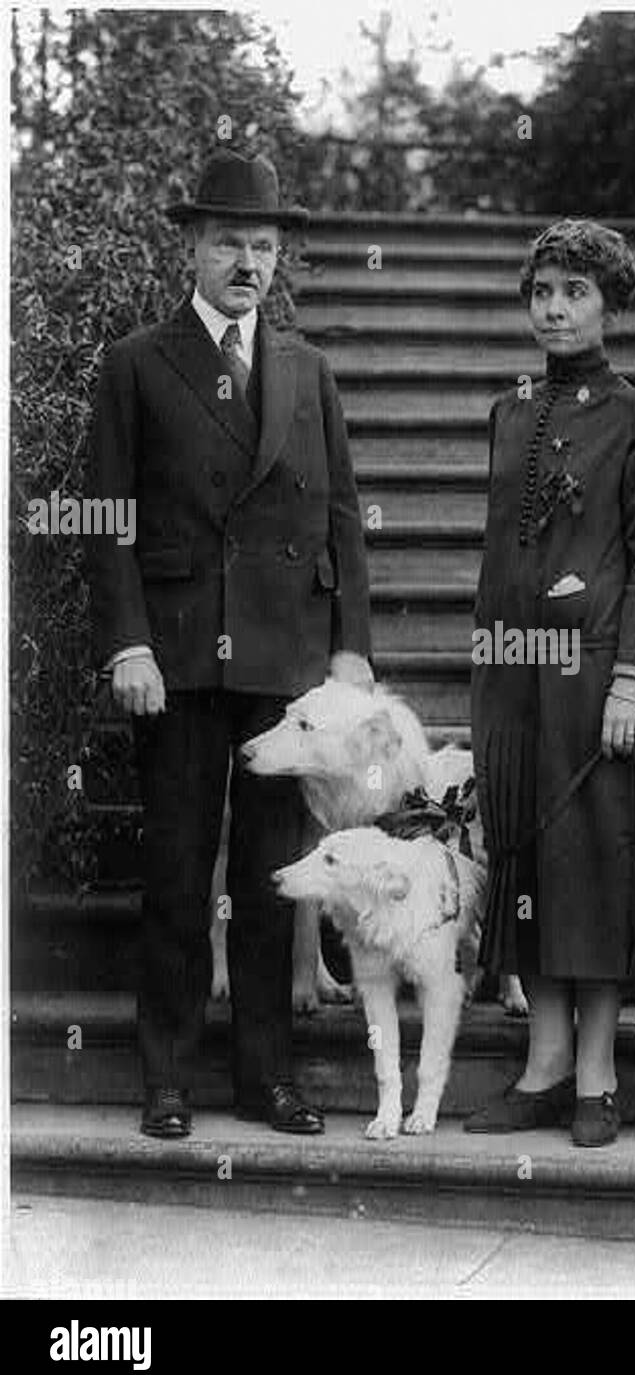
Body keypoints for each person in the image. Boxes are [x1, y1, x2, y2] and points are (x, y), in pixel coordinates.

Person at [86, 150, 371, 1139]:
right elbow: (107, 514)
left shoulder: (305, 370)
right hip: (174, 658)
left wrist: (350, 653)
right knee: (174, 870)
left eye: (262, 245)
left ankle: (265, 1076)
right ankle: (166, 1075)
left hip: (282, 663)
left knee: (267, 874)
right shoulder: (137, 363)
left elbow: (339, 516)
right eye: (227, 244)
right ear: (193, 249)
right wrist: (125, 644)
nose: (246, 262)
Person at [465, 219, 635, 1148]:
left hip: (595, 676)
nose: (554, 308)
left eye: (575, 292)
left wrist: (631, 675)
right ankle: (543, 1066)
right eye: (543, 291)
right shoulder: (509, 413)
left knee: (594, 860)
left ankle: (598, 1075)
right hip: (512, 680)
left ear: (611, 305)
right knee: (528, 865)